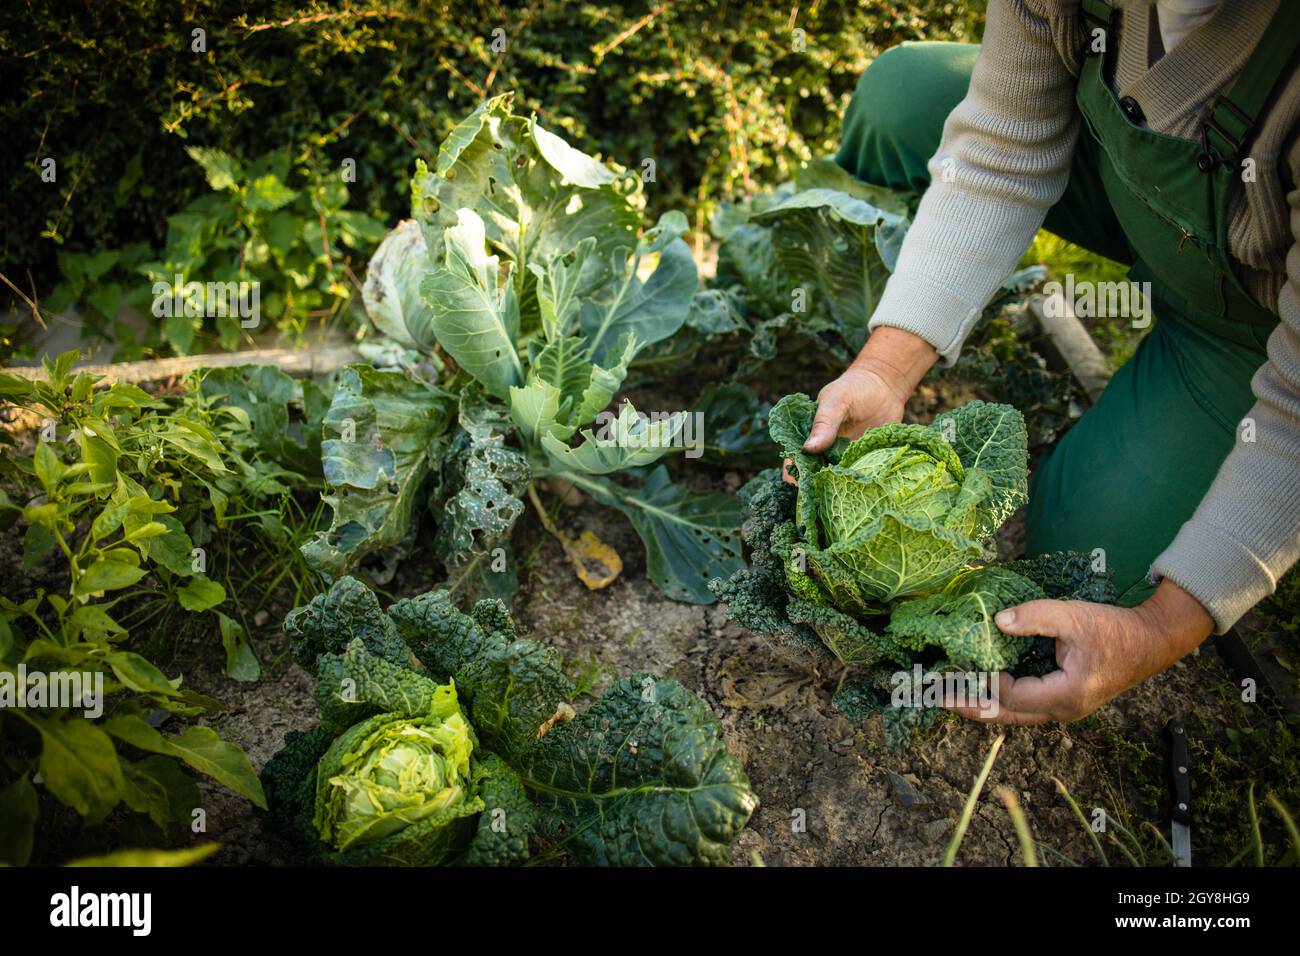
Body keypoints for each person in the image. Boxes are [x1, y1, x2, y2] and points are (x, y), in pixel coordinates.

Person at [793, 0, 1300, 724]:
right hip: (1126, 185)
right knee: (902, 97)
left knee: (1084, 571)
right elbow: (1000, 150)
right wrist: (885, 366)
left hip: (1255, 329)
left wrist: (1159, 631)